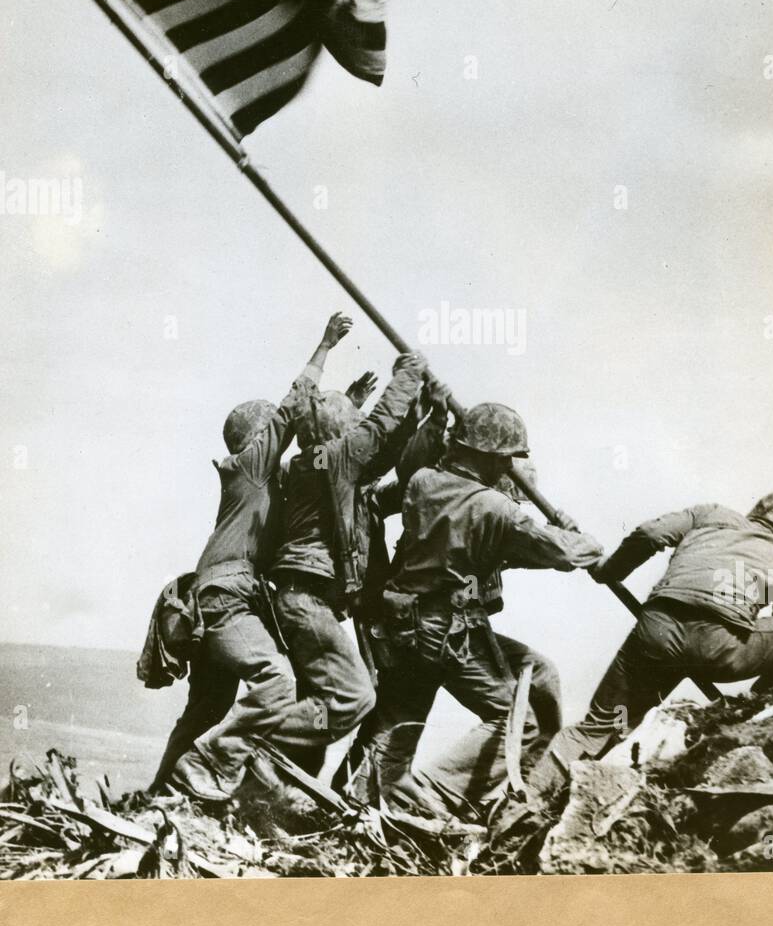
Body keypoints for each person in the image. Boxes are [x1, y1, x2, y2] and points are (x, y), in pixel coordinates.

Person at [351, 402, 604, 817]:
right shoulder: (494, 508)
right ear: (485, 455)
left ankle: (358, 797)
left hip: (403, 624)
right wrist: (582, 538)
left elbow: (478, 541)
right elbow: (561, 553)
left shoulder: (424, 481)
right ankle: (435, 795)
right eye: (504, 457)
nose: (508, 466)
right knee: (519, 722)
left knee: (535, 676)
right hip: (445, 630)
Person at [151, 312, 355, 799]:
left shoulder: (260, 482)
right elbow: (292, 410)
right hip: (228, 600)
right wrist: (324, 346)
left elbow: (313, 438)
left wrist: (353, 405)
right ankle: (210, 768)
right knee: (277, 681)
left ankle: (161, 794)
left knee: (206, 709)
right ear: (257, 437)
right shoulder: (249, 467)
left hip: (214, 602)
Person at [524, 492, 773, 804]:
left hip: (656, 634)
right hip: (719, 648)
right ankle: (765, 715)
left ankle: (528, 800)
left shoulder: (711, 514)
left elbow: (649, 534)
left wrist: (611, 571)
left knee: (599, 726)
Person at [265, 349, 428, 774]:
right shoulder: (333, 460)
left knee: (319, 708)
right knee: (354, 697)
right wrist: (409, 374)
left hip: (305, 602)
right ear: (340, 433)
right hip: (306, 601)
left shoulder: (318, 467)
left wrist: (426, 416)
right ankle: (253, 736)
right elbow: (378, 431)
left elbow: (388, 451)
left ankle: (280, 782)